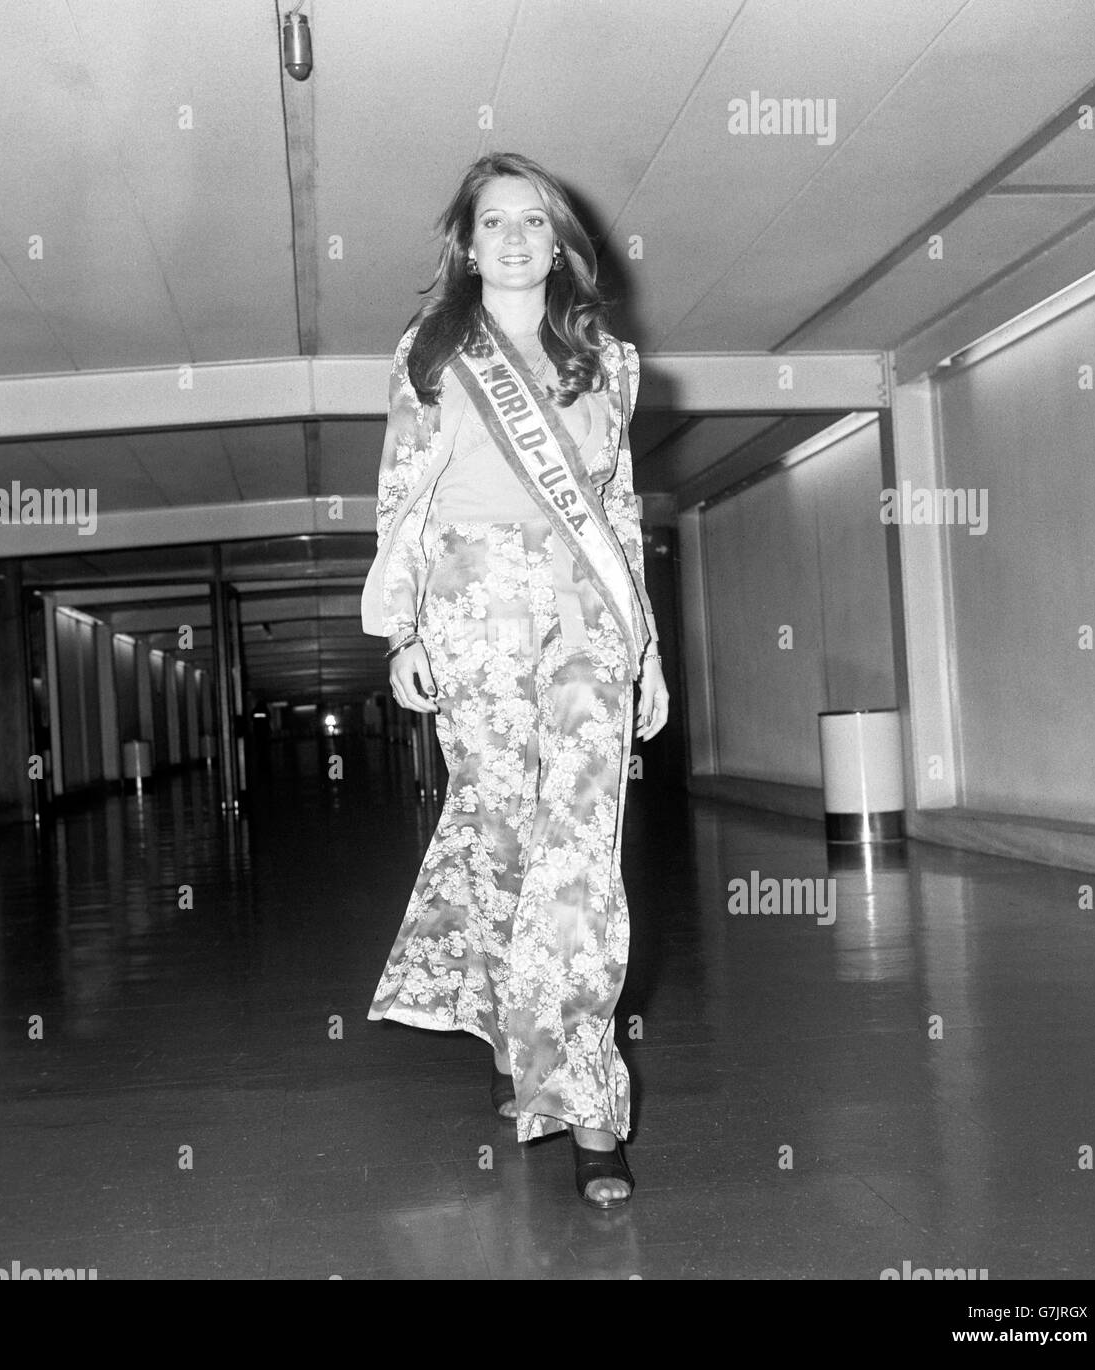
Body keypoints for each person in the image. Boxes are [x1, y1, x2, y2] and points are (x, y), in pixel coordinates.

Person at [361, 151, 669, 1208]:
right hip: (470, 599)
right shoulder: (434, 349)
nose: (514, 238)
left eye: (533, 221)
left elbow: (620, 508)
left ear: (558, 241)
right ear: (468, 239)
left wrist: (649, 647)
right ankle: (509, 1026)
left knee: (579, 849)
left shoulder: (608, 361)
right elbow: (402, 493)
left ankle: (588, 1104)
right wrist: (400, 628)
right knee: (500, 831)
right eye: (494, 221)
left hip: (586, 613)